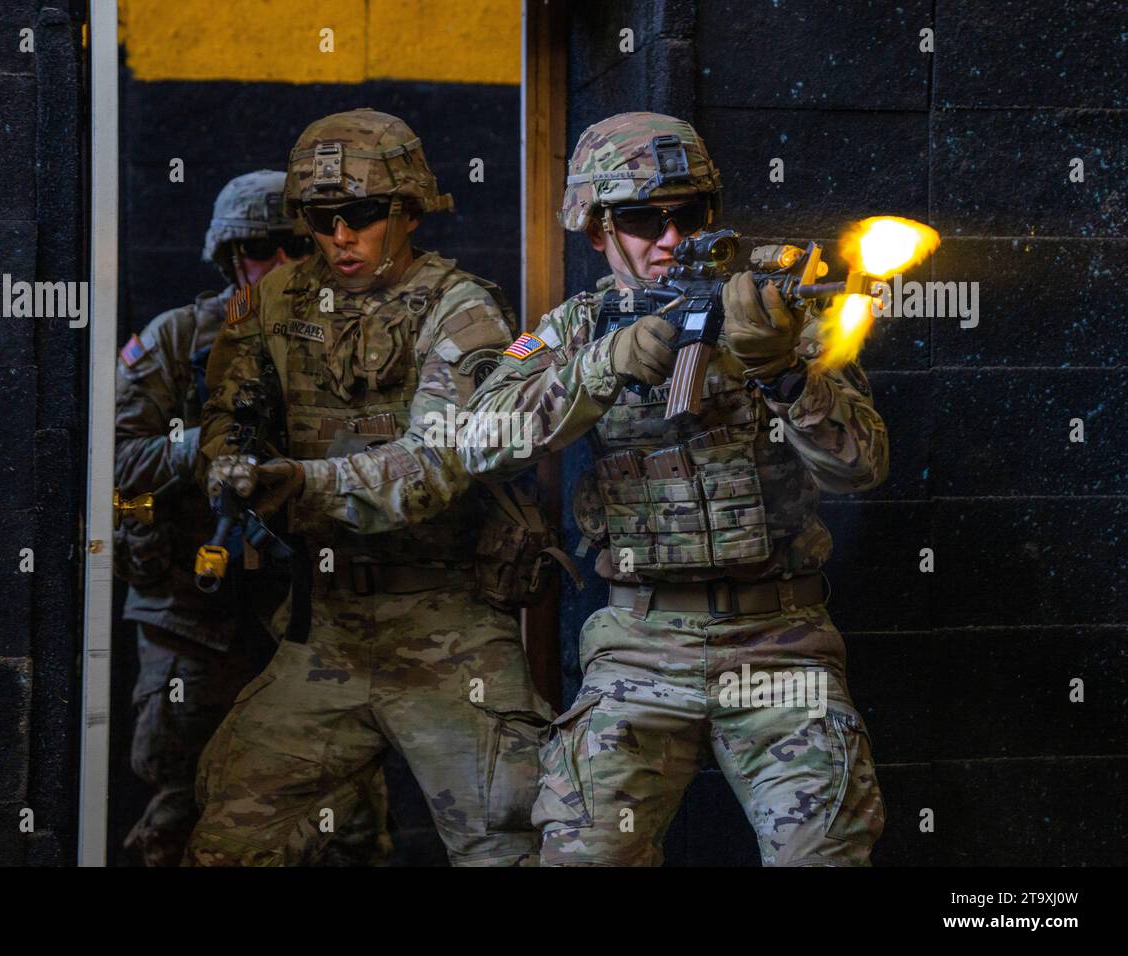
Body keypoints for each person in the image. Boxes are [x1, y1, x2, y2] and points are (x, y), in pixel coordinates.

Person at [458, 112, 888, 866]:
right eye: (641, 218)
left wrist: (785, 372)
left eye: (687, 214)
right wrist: (600, 366)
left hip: (781, 647)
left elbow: (860, 465)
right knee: (584, 855)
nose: (668, 237)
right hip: (639, 650)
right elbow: (473, 442)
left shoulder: (781, 316)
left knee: (824, 854)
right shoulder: (574, 328)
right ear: (597, 231)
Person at [184, 109, 550, 867]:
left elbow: (435, 465)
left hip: (449, 632)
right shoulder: (271, 303)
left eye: (361, 215)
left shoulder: (464, 310)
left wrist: (294, 483)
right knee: (227, 837)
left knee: (506, 844)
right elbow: (225, 419)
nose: (341, 236)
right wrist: (232, 464)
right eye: (322, 219)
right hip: (327, 630)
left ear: (408, 210)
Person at [114, 170, 388, 866]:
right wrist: (196, 449)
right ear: (237, 258)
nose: (289, 267)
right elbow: (110, 465)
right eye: (269, 249)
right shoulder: (177, 342)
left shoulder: (362, 345)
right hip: (196, 614)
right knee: (187, 803)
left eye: (304, 248)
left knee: (345, 814)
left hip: (316, 612)